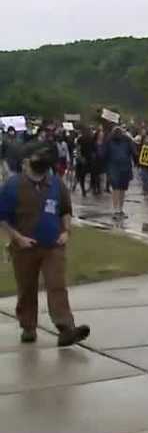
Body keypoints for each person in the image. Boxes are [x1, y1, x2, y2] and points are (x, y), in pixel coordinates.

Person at [0, 143, 90, 346]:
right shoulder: (12, 185)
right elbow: (3, 218)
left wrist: (66, 231)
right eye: (36, 156)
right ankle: (28, 327)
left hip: (53, 246)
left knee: (57, 285)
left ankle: (66, 328)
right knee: (27, 288)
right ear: (26, 161)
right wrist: (17, 238)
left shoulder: (57, 184)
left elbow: (65, 210)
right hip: (24, 248)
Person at [100, 126, 135, 219]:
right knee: (119, 189)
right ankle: (118, 209)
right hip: (120, 167)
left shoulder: (109, 141)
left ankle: (118, 209)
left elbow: (103, 154)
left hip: (117, 167)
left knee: (118, 188)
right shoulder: (126, 140)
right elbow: (134, 152)